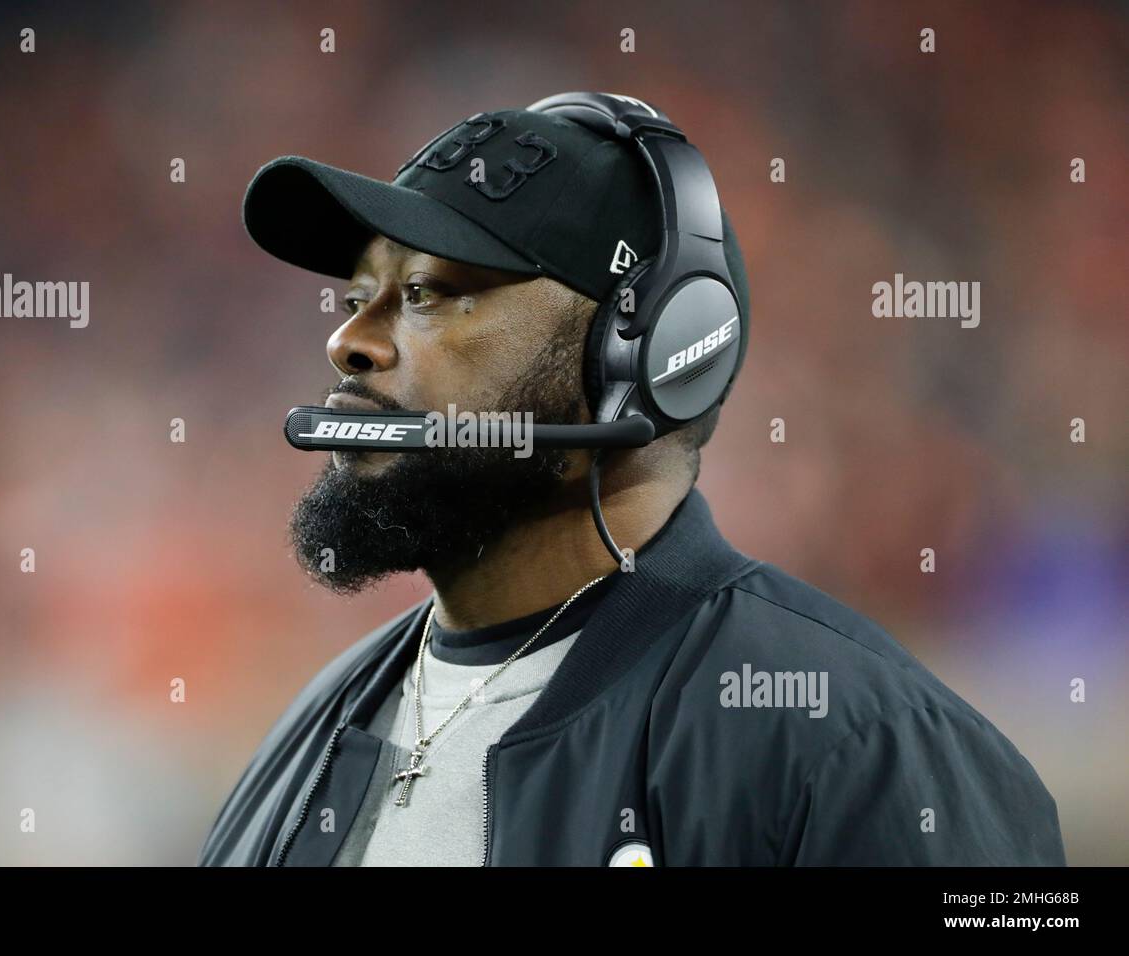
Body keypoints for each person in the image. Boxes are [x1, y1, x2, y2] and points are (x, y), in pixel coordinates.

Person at [199, 96, 1065, 866]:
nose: (349, 340)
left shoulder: (865, 747)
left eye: (426, 292)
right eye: (358, 293)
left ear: (640, 358)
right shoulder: (315, 727)